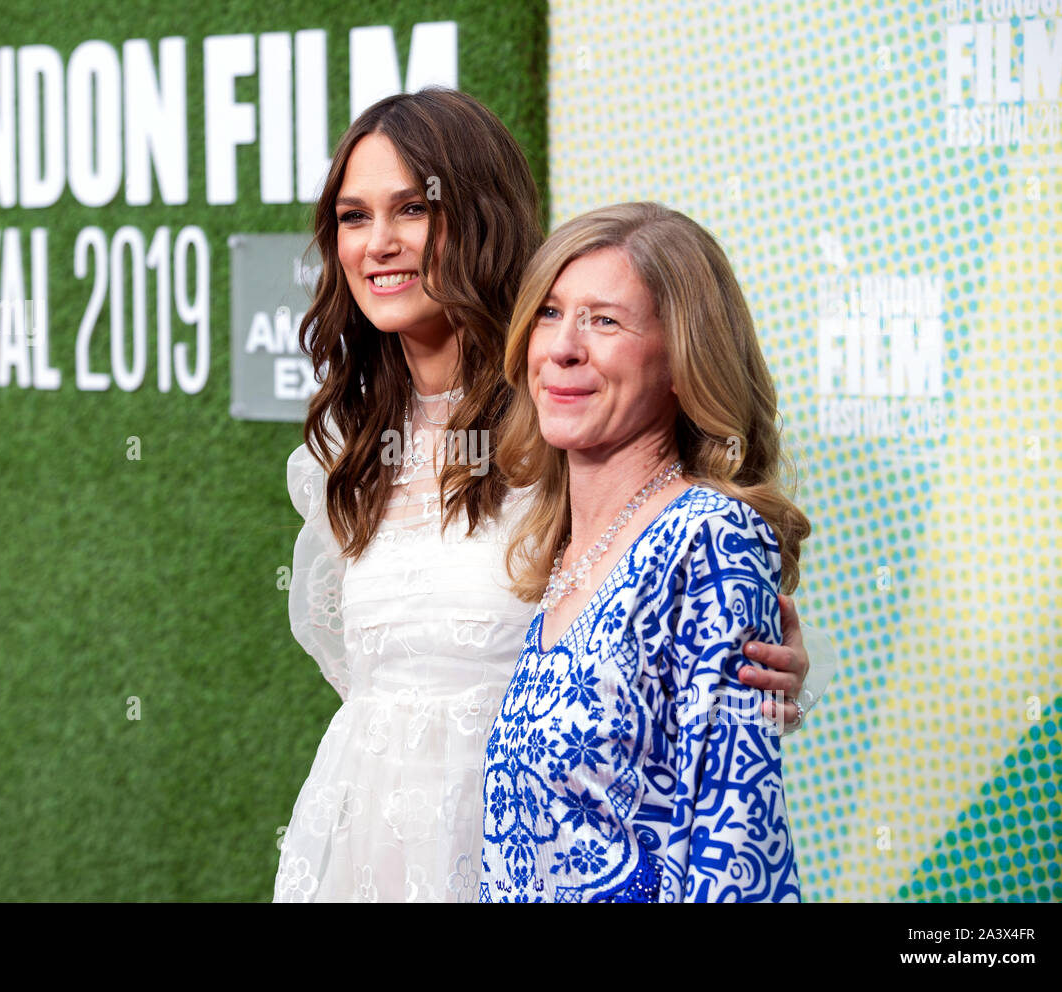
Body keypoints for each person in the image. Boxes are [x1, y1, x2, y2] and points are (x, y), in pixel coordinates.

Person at [275, 90, 824, 903]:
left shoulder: (566, 421)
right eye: (354, 217)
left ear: (479, 218)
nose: (379, 244)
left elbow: (681, 600)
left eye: (411, 210)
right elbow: (368, 685)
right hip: (362, 845)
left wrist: (775, 676)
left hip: (532, 858)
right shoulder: (346, 447)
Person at [481, 201, 807, 901]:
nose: (563, 346)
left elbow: (737, 842)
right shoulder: (563, 551)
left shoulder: (710, 538)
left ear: (683, 364)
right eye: (549, 313)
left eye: (605, 320)